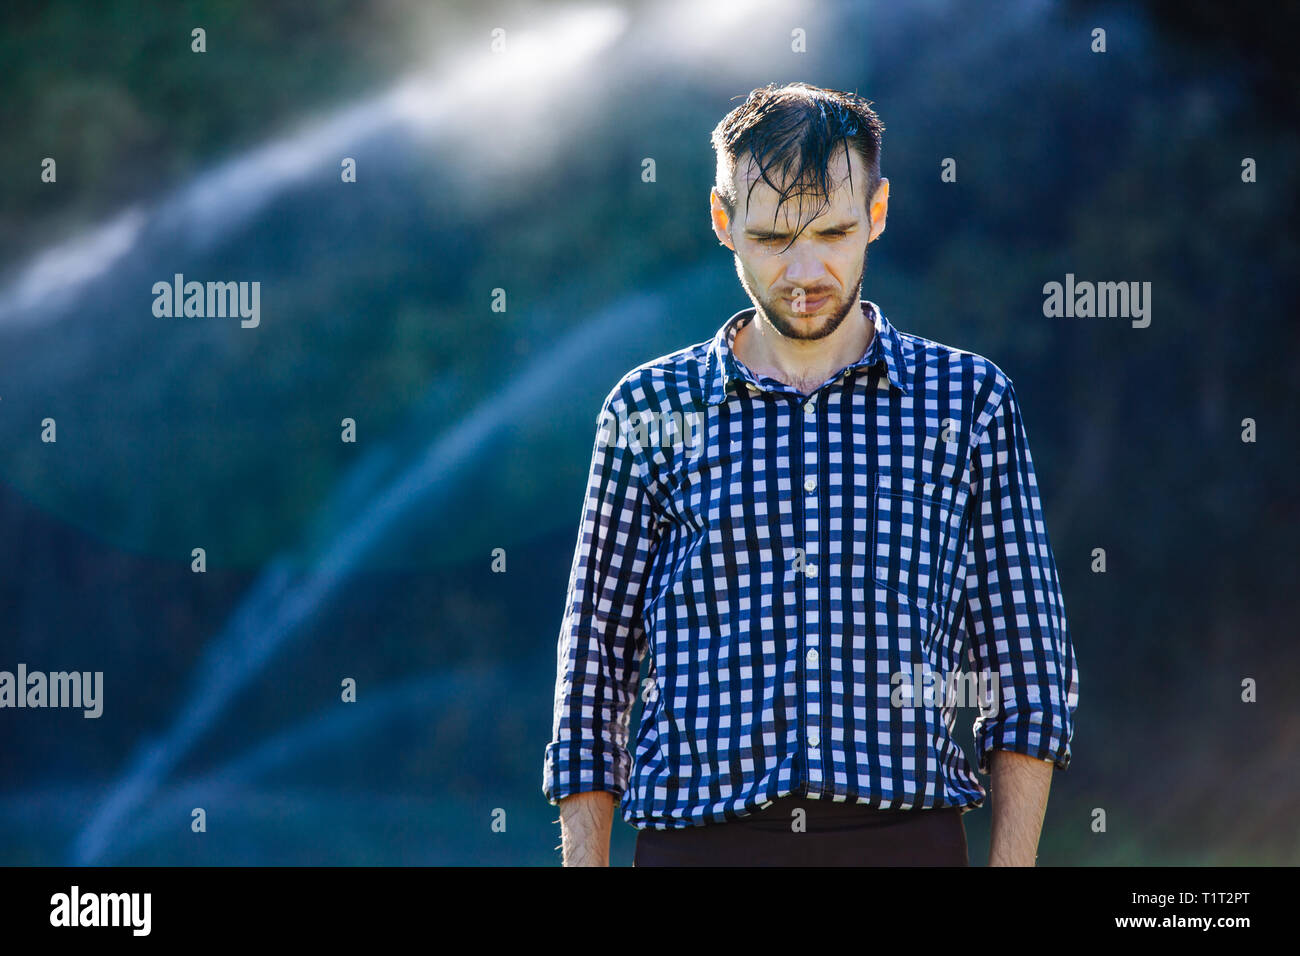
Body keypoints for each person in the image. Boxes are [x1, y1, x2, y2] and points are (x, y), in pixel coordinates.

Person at [542, 82, 1078, 866]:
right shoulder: (648, 408)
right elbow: (594, 669)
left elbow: (1028, 665)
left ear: (879, 213)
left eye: (832, 230)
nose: (804, 268)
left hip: (908, 841)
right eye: (771, 238)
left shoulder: (969, 403)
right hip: (699, 843)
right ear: (723, 222)